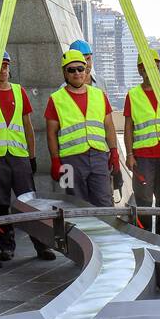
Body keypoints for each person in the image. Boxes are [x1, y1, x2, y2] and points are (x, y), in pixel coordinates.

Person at [0, 49, 56, 261]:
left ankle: (41, 246)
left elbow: (28, 126)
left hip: (20, 157)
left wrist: (32, 156)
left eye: (5, 64)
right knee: (1, 204)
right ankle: (7, 247)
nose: (2, 69)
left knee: (30, 202)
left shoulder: (19, 91)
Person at [44, 49, 118, 207]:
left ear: (86, 70)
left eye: (80, 69)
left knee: (104, 203)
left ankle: (103, 233)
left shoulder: (99, 95)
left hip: (99, 157)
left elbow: (109, 126)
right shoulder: (56, 99)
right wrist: (55, 161)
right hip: (69, 161)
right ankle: (78, 233)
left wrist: (114, 152)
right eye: (71, 70)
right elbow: (51, 134)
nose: (77, 73)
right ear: (64, 73)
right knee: (74, 205)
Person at [124, 48, 160, 237]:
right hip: (143, 157)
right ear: (140, 70)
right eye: (149, 68)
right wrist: (129, 154)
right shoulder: (133, 95)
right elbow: (128, 127)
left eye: (157, 68)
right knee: (144, 198)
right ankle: (144, 232)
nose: (153, 72)